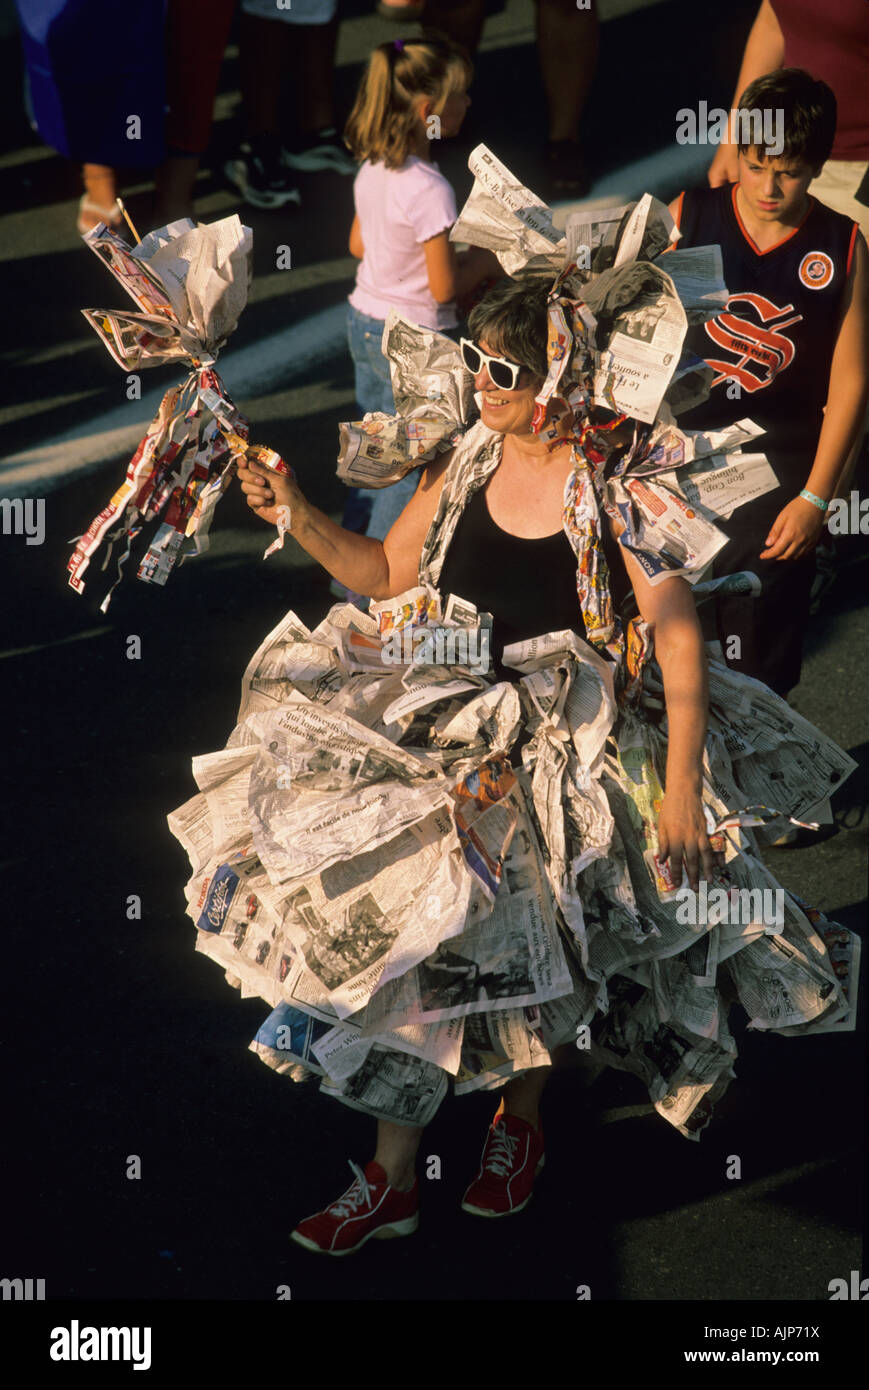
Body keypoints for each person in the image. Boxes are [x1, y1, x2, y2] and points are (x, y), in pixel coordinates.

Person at [217, 273, 854, 1254]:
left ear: (559, 378)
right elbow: (387, 576)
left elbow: (676, 633)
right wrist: (297, 510)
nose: (478, 381)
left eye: (501, 368)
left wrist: (679, 786)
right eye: (472, 358)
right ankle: (392, 1177)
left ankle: (519, 1121)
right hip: (448, 718)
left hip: (565, 746)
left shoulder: (612, 480)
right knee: (412, 945)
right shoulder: (466, 455)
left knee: (538, 948)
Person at [669, 69, 868, 698]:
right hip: (675, 467)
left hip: (777, 482)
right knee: (666, 663)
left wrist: (816, 499)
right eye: (755, 167)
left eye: (787, 171)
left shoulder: (843, 243)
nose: (767, 187)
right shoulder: (690, 213)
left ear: (815, 165)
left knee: (758, 676)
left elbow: (852, 384)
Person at [340, 34, 499, 548]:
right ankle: (375, 579)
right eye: (462, 94)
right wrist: (490, 255)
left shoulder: (373, 167)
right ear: (430, 109)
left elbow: (358, 244)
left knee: (374, 447)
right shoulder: (430, 187)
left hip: (364, 321)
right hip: (416, 342)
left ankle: (349, 555)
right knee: (408, 461)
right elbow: (444, 287)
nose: (469, 103)